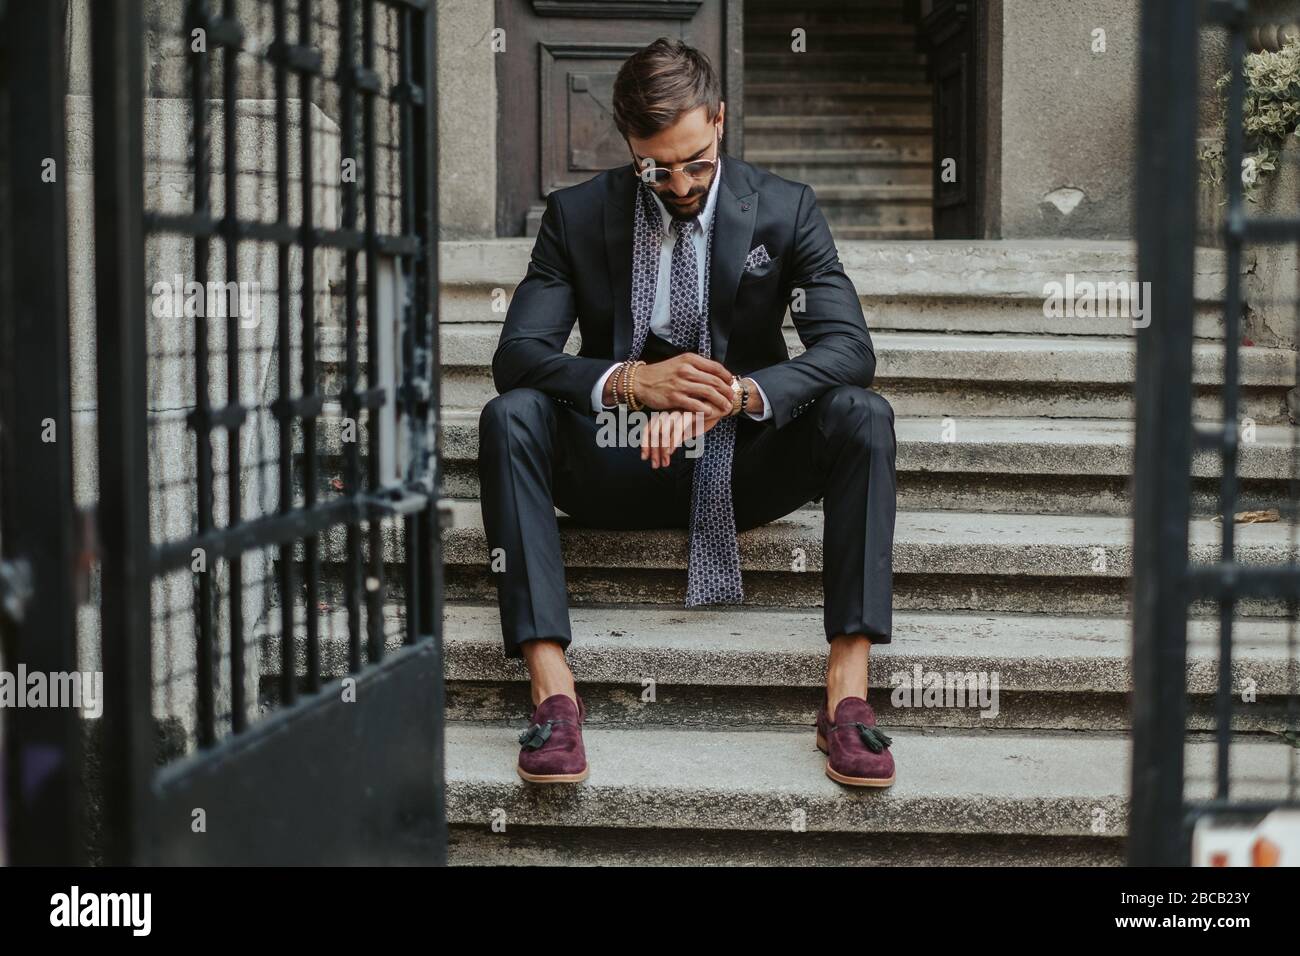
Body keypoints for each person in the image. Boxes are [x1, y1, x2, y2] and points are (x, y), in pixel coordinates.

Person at [479, 37, 897, 788]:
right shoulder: (575, 216)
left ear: (721, 120)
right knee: (510, 414)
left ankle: (847, 694)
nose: (680, 183)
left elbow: (848, 349)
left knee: (863, 413)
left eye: (696, 160)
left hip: (747, 471)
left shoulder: (786, 209)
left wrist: (731, 395)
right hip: (614, 461)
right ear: (629, 145)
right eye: (656, 166)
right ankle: (553, 694)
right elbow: (519, 355)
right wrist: (632, 383)